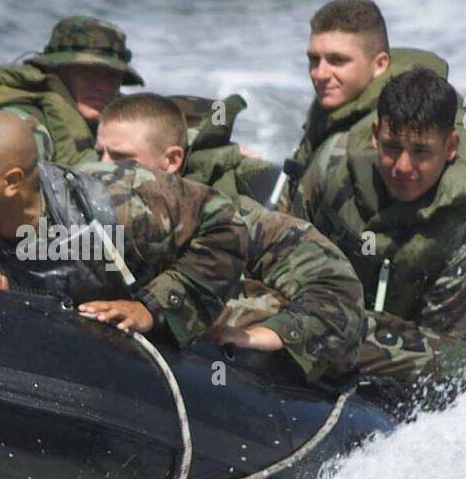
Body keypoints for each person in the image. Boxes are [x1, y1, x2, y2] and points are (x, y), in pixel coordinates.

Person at [290, 66, 466, 407]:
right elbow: (284, 251)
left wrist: (329, 335)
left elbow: (446, 364)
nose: (403, 167)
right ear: (376, 134)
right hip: (355, 324)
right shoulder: (333, 165)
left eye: (421, 152)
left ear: (450, 146)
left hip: (459, 345)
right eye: (391, 147)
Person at [0, 110, 248, 346]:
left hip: (179, 315)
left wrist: (152, 307)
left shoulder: (119, 201)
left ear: (12, 182)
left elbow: (226, 224)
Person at [95, 93, 362, 386]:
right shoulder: (92, 208)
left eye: (120, 159)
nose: (103, 169)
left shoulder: (236, 218)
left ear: (171, 160)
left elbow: (335, 284)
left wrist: (275, 334)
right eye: (100, 155)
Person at [273, 0, 449, 208]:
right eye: (314, 59)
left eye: (338, 60)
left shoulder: (390, 134)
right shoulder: (337, 107)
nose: (320, 74)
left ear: (380, 64)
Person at [0, 15, 143, 165]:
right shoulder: (22, 122)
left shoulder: (123, 121)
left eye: (112, 76)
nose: (102, 86)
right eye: (88, 72)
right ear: (55, 70)